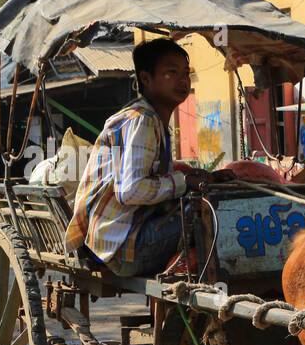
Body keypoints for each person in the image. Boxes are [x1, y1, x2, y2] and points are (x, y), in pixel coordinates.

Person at [66, 39, 232, 277]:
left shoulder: (149, 118)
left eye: (185, 73)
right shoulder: (142, 120)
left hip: (118, 239)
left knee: (205, 211)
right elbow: (131, 190)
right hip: (124, 247)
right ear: (146, 79)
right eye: (171, 73)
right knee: (216, 219)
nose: (182, 80)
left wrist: (201, 177)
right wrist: (185, 182)